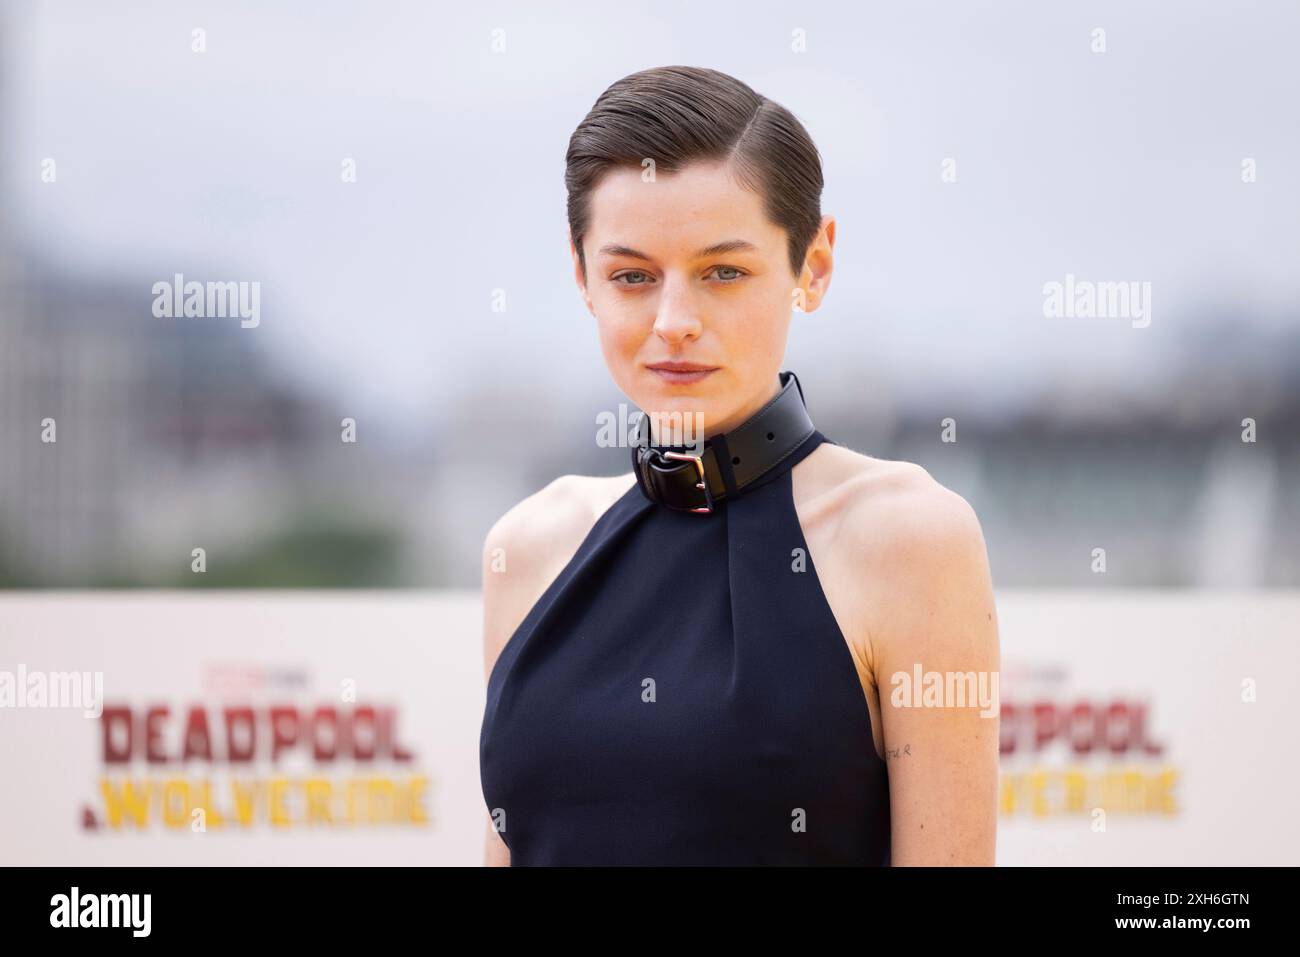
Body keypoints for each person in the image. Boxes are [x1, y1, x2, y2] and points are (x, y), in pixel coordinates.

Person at [478, 65, 1000, 865]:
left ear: (813, 267)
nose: (675, 321)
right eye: (632, 276)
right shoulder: (530, 546)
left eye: (724, 271)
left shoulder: (908, 537)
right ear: (582, 275)